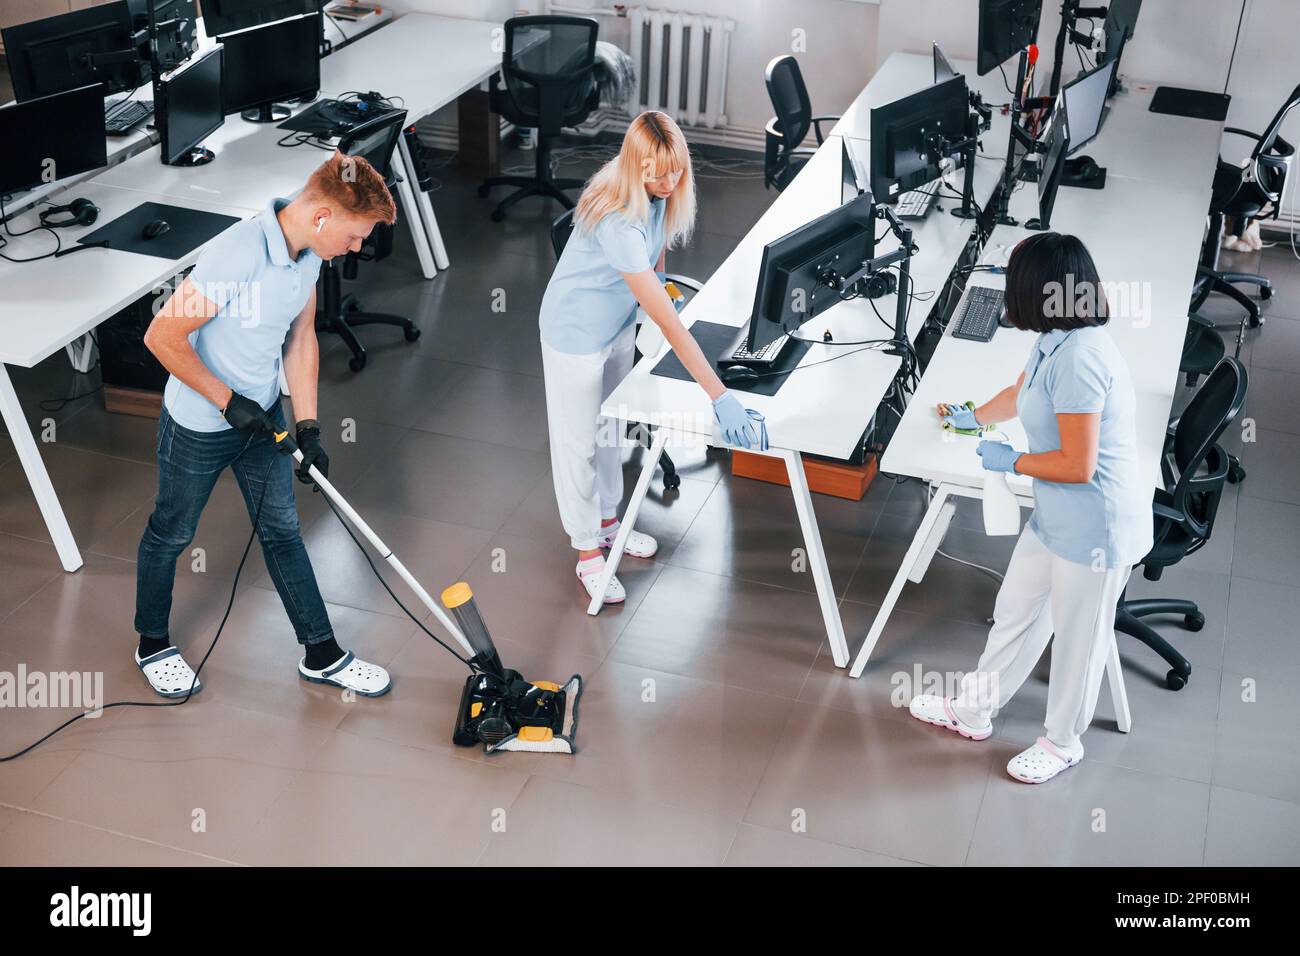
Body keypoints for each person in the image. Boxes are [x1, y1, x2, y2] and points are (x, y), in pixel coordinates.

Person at [134, 152, 396, 699]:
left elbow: (301, 339)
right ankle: (152, 643)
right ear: (322, 216)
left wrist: (309, 426)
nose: (355, 249)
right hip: (201, 424)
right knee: (172, 532)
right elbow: (162, 337)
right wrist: (228, 402)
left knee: (281, 530)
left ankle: (321, 653)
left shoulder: (308, 255)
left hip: (262, 416)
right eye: (353, 237)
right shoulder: (238, 251)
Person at [909, 232, 1152, 784]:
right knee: (1015, 611)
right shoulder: (1054, 340)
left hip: (1097, 527)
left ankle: (1064, 742)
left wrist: (1012, 461)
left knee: (1077, 640)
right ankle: (973, 709)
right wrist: (972, 416)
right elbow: (1020, 393)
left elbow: (1078, 465)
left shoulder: (1082, 360)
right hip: (1056, 516)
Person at [538, 110, 762, 605]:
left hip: (615, 323)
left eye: (676, 170)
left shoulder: (661, 194)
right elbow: (668, 324)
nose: (668, 182)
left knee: (611, 431)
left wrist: (658, 285)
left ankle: (609, 527)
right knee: (578, 445)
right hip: (573, 332)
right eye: (657, 173)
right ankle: (587, 555)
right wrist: (720, 396)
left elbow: (656, 248)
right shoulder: (618, 217)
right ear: (634, 165)